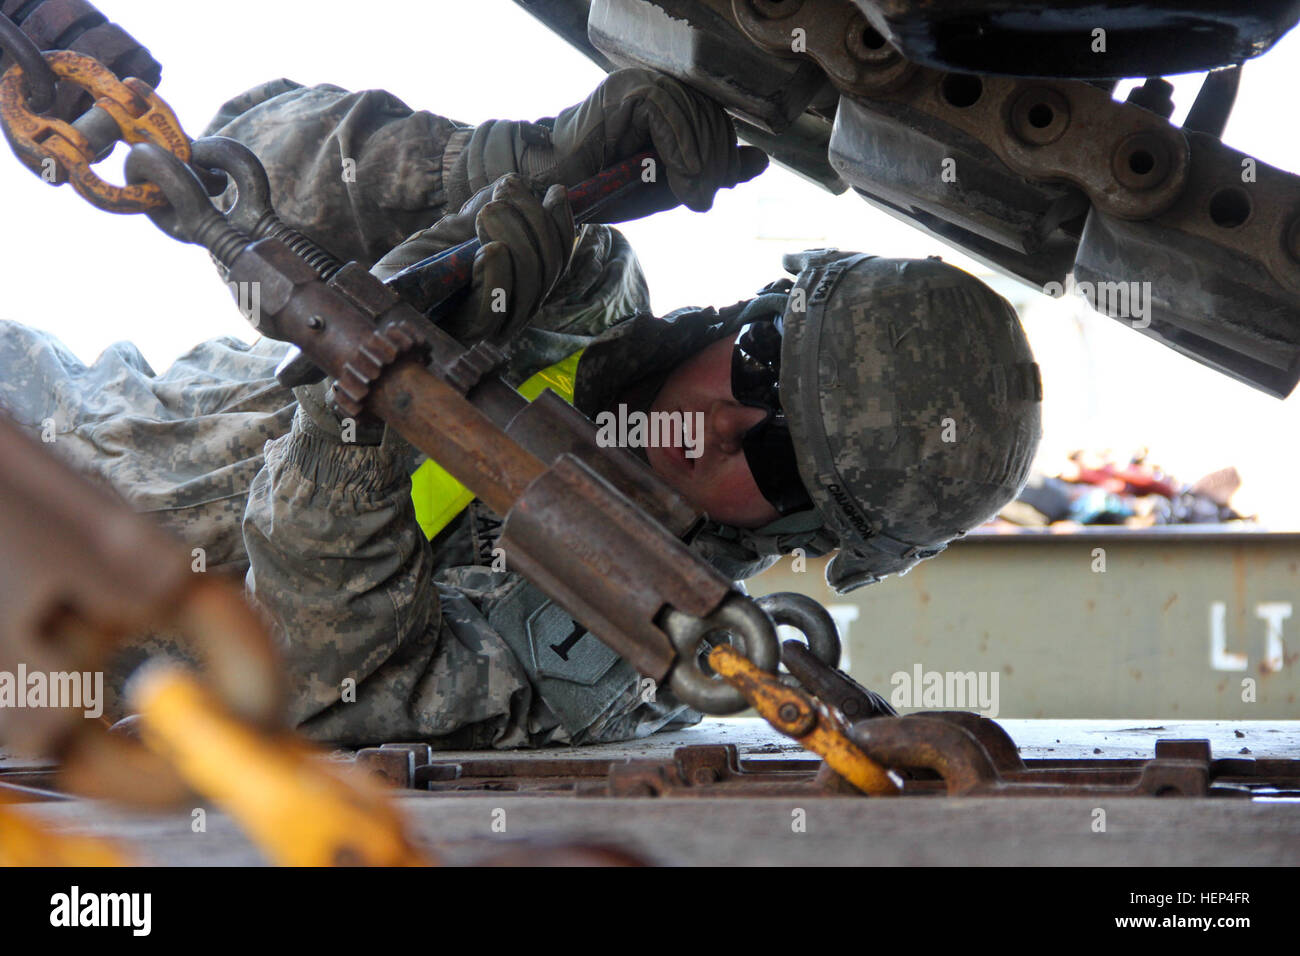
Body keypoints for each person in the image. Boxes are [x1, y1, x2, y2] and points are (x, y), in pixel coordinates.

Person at [0, 70, 1042, 747]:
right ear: (745, 313)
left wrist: (350, 427)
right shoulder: (573, 275)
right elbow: (237, 153)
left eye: (778, 465)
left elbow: (330, 679)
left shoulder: (609, 640)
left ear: (805, 528)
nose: (727, 422)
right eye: (761, 366)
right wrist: (501, 166)